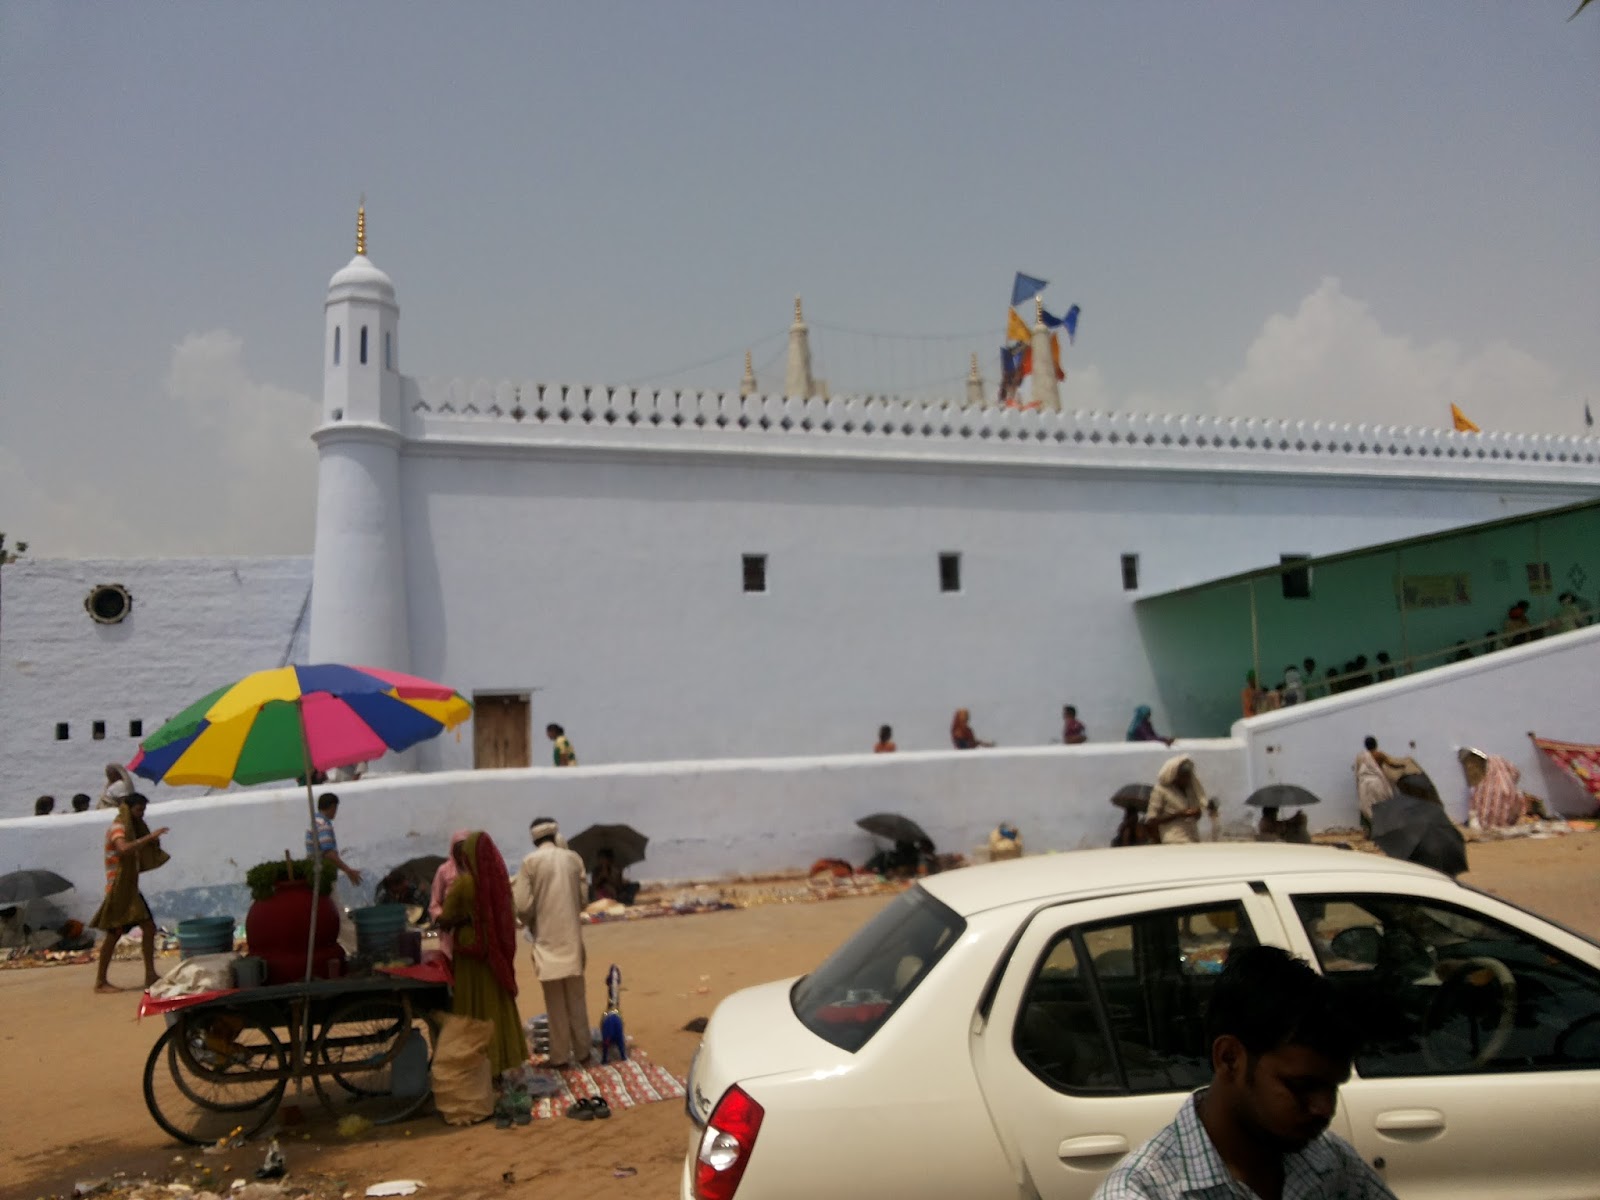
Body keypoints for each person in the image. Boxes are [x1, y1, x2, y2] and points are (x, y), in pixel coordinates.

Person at [1092, 945, 1394, 1200]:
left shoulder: (1329, 1162)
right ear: (1229, 1059)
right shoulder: (1140, 1192)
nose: (1323, 1108)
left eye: (1332, 1088)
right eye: (1301, 1086)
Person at [435, 831, 528, 1077]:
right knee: (496, 1002)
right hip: (492, 951)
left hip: (470, 951)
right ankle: (506, 1058)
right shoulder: (498, 883)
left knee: (473, 1006)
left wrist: (450, 920)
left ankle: (481, 1064)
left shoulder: (464, 884)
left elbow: (445, 917)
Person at [513, 817, 593, 1069]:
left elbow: (523, 906)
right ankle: (583, 1052)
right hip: (572, 939)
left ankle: (559, 1057)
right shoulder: (573, 859)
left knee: (555, 1004)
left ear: (534, 838)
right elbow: (582, 900)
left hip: (546, 940)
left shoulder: (530, 863)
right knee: (577, 1000)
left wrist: (532, 916)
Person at [90, 791, 169, 993]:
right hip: (118, 888)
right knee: (114, 933)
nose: (141, 814)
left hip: (129, 888)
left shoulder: (130, 829)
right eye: (139, 810)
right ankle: (100, 982)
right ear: (129, 809)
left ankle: (150, 974)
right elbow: (123, 849)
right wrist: (149, 837)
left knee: (149, 927)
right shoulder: (119, 828)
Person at [1144, 755, 1207, 843]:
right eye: (1183, 777)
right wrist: (1178, 815)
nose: (1186, 780)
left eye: (1188, 777)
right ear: (1175, 776)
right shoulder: (1161, 790)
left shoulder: (1190, 790)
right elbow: (1151, 821)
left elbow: (1198, 815)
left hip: (1193, 838)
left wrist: (1197, 813)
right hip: (1174, 840)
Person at [305, 792, 362, 888]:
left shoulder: (315, 821)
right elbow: (328, 853)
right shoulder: (323, 825)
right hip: (321, 872)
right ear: (332, 807)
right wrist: (348, 870)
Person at [428, 830, 470, 957]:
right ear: (452, 849)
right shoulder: (444, 871)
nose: (461, 853)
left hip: (472, 929)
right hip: (449, 929)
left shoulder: (476, 870)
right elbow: (434, 903)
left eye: (464, 848)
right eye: (458, 849)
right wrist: (444, 918)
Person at [1352, 736, 1398, 835]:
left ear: (1365, 745)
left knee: (1366, 807)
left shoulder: (1360, 756)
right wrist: (1402, 765)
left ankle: (1369, 831)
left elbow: (1355, 769)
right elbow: (1391, 764)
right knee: (1381, 805)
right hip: (1377, 783)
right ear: (1376, 744)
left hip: (1364, 784)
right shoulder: (1379, 755)